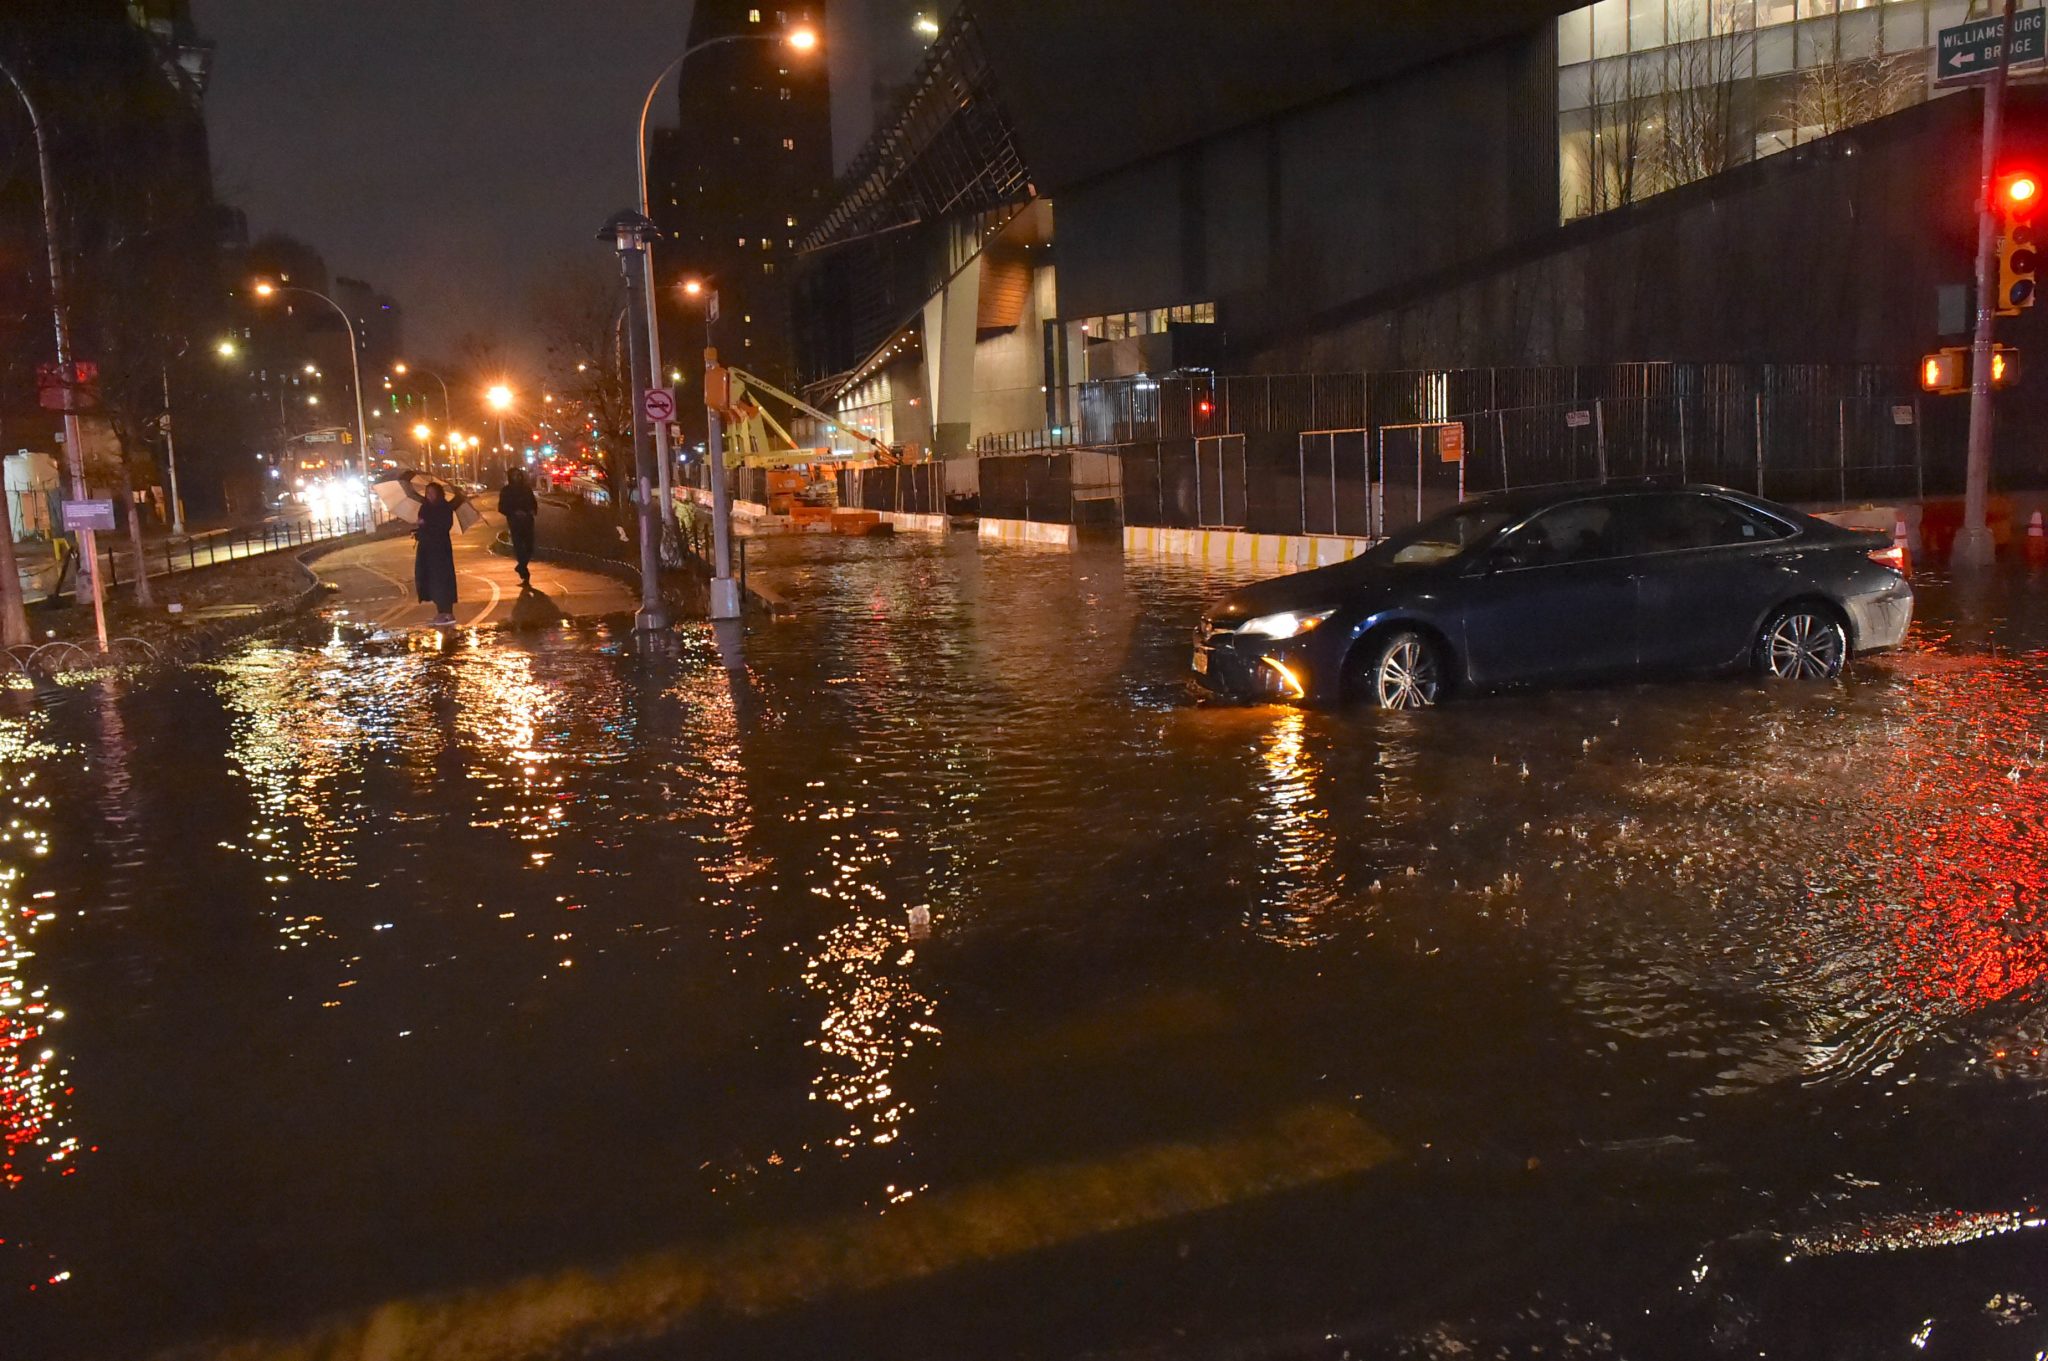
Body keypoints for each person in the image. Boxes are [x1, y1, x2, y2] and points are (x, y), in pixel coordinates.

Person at [399, 471, 465, 625]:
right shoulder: (425, 507)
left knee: (442, 580)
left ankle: (447, 612)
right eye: (427, 492)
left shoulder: (444, 508)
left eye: (432, 492)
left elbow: (443, 527)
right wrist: (419, 530)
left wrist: (426, 527)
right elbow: (422, 520)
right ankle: (440, 612)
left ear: (439, 494)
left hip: (440, 549)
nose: (429, 495)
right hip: (426, 550)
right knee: (430, 579)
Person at [498, 466, 538, 585]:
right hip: (515, 522)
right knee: (519, 547)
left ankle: (521, 566)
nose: (517, 477)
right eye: (514, 475)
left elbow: (533, 502)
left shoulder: (526, 489)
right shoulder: (506, 491)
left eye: (518, 475)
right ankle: (524, 573)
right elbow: (502, 507)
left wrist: (531, 510)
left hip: (527, 521)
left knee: (529, 547)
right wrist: (514, 512)